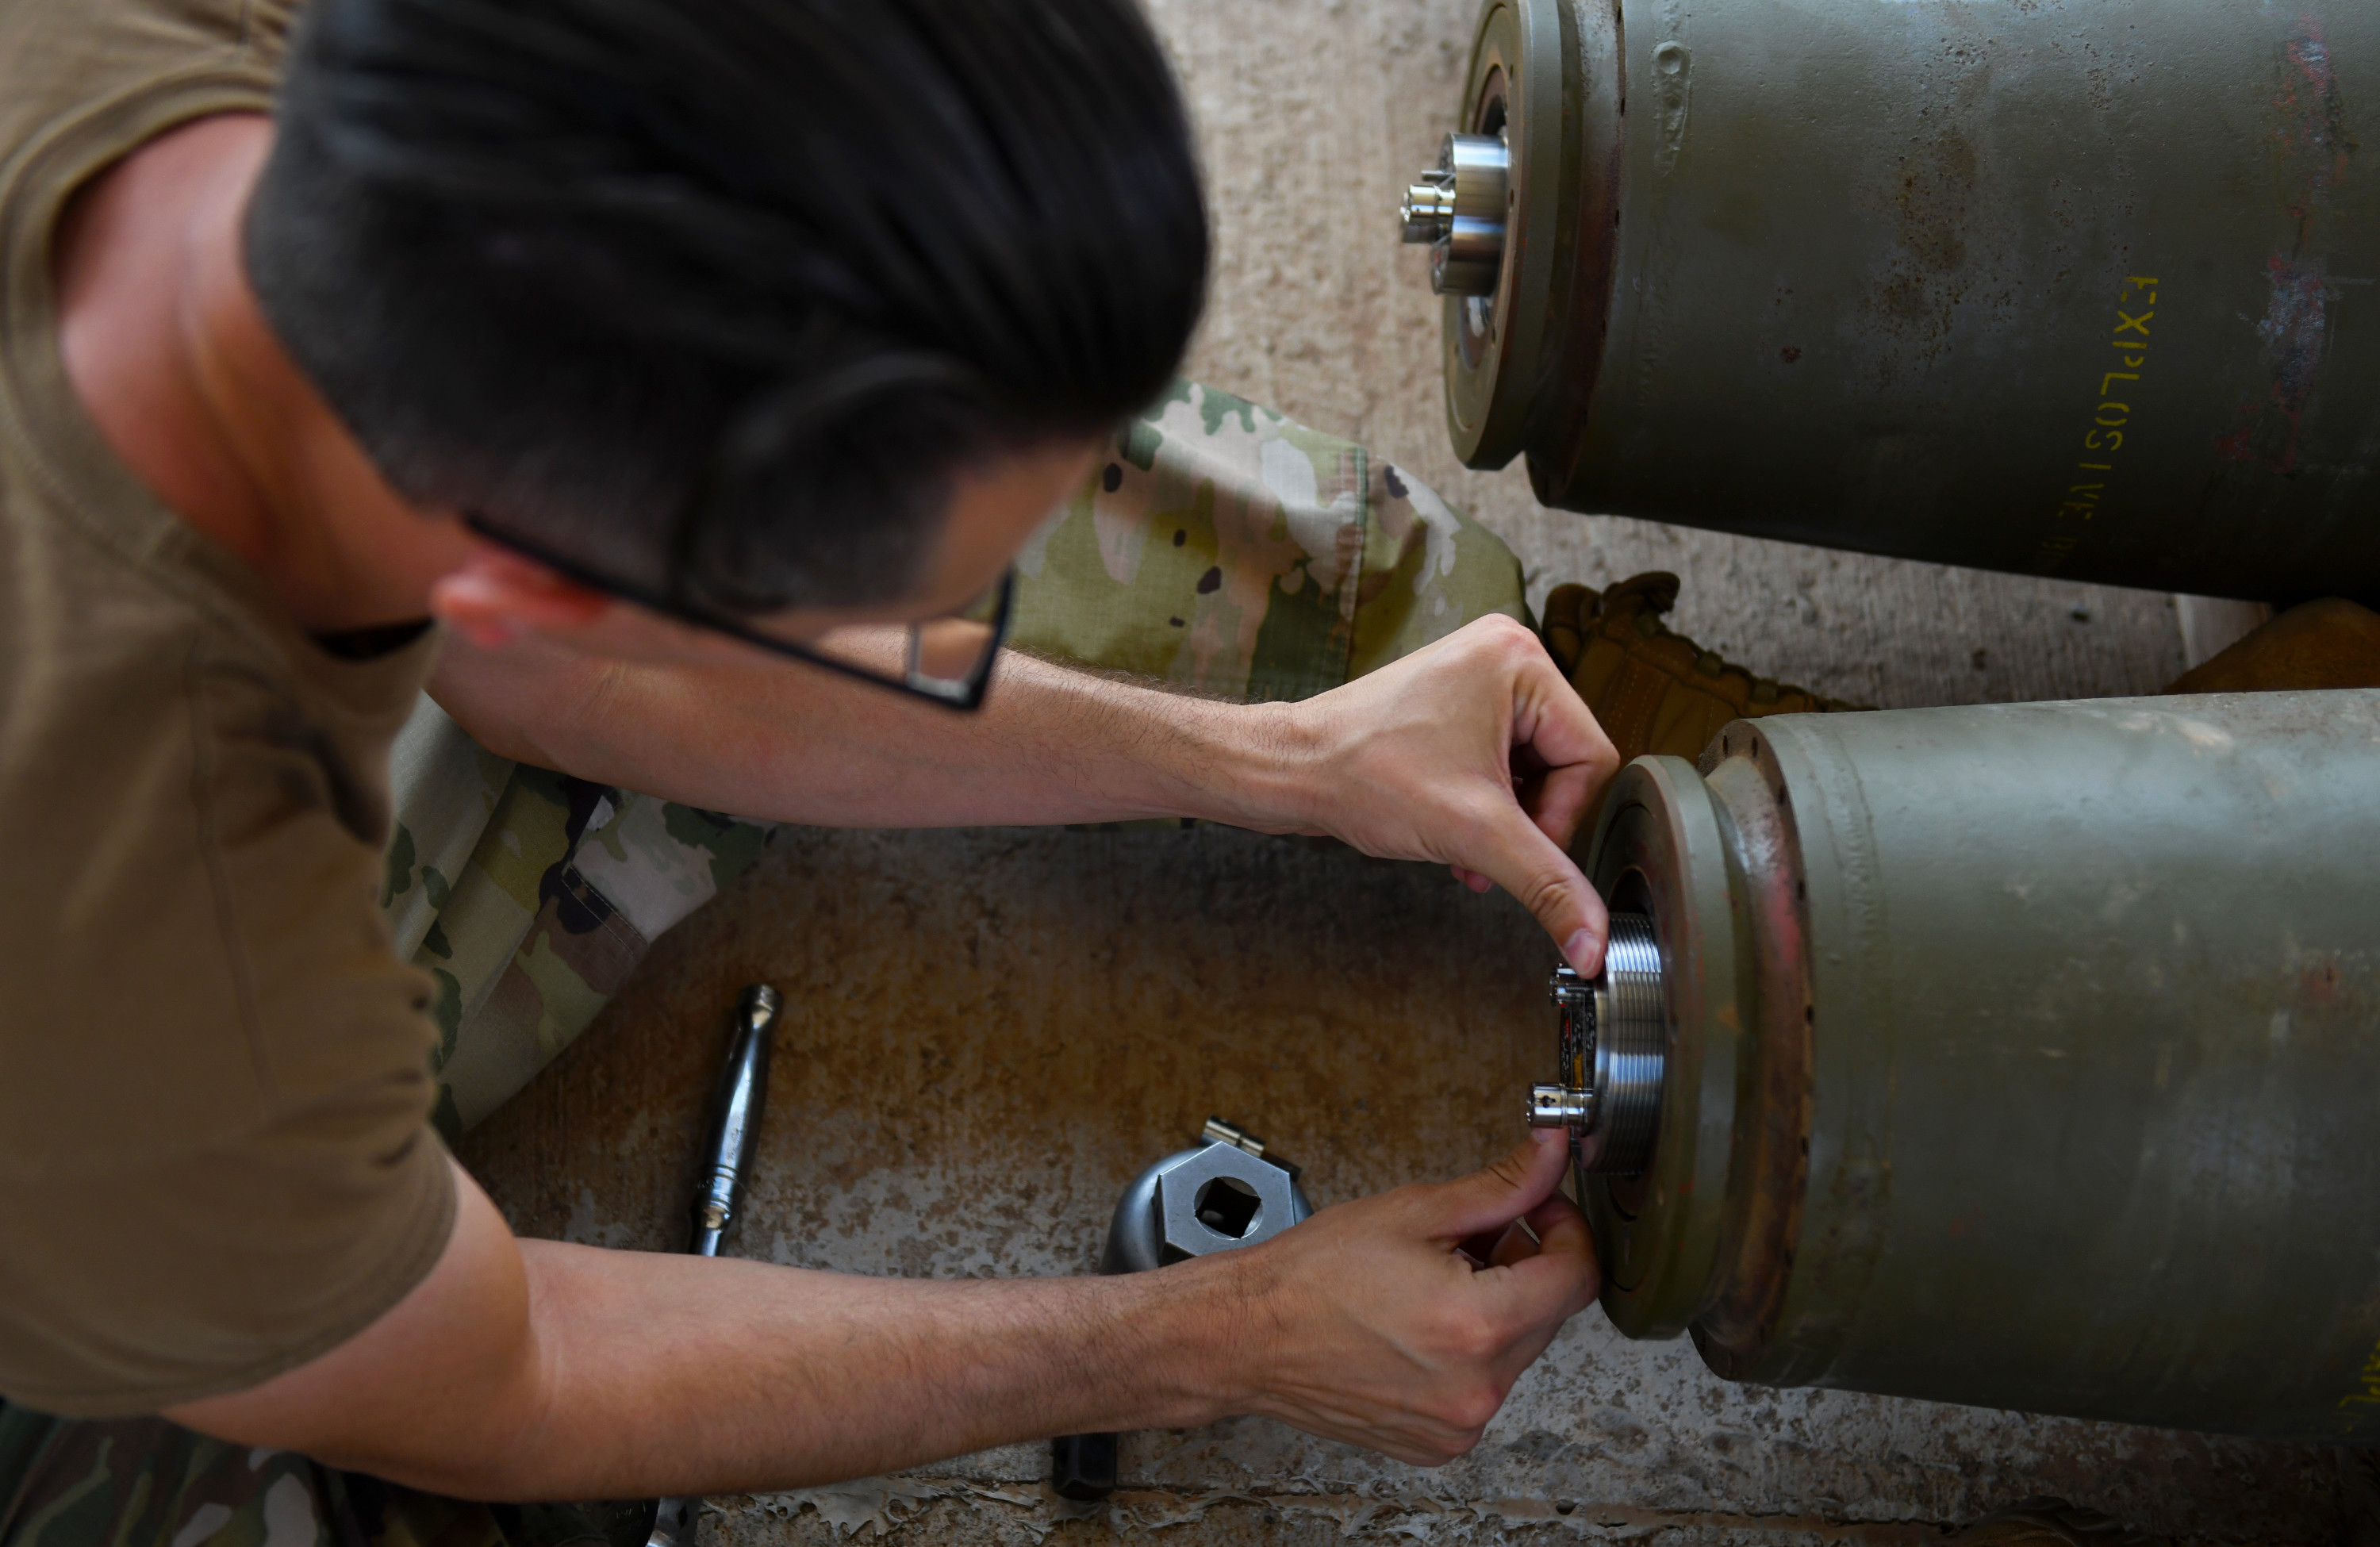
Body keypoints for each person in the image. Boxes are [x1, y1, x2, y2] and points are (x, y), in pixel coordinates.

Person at [0, 0, 1633, 1535]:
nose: (919, 636)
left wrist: (1283, 759)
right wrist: (1224, 1334)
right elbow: (518, 1371)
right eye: (841, 611)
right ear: (533, 581)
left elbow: (583, 669)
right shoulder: (177, 1022)